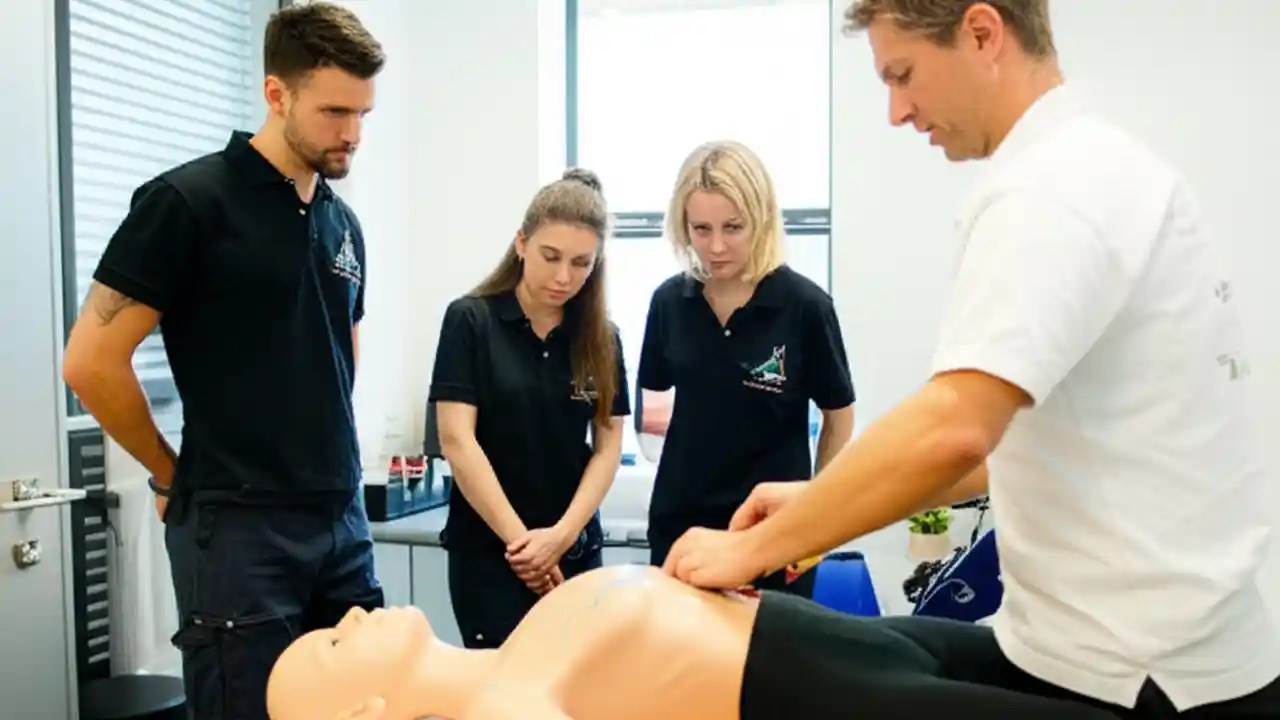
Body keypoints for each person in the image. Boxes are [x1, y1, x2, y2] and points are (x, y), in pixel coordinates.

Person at [663, 1, 1280, 718]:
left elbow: (952, 428)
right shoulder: (1105, 170)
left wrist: (754, 550)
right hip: (1094, 652)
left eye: (903, 74)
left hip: (1146, 680)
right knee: (811, 643)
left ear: (983, 34)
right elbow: (997, 451)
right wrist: (813, 502)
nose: (896, 110)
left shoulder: (1051, 190)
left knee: (751, 660)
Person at [61, 4, 387, 718]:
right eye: (335, 111)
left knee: (366, 705)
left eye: (364, 112)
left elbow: (339, 357)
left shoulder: (341, 223)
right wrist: (171, 471)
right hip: (239, 531)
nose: (353, 134)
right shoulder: (187, 204)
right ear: (277, 94)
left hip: (340, 521)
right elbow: (90, 362)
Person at [264, 564, 1124, 719]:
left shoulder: (518, 651)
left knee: (1120, 676)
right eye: (333, 650)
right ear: (364, 714)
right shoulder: (508, 701)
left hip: (834, 635)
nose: (345, 618)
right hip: (816, 691)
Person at [637, 140, 855, 597]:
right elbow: (651, 414)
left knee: (766, 665)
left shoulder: (805, 307)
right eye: (701, 228)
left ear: (761, 220)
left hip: (774, 534)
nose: (716, 246)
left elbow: (839, 415)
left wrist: (814, 510)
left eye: (733, 227)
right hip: (682, 528)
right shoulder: (668, 304)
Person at [428, 168, 630, 650]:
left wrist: (560, 537)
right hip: (491, 557)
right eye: (550, 256)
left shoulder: (603, 338)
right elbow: (458, 440)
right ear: (521, 243)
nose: (564, 277)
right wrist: (524, 547)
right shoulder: (471, 321)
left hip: (573, 555)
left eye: (582, 263)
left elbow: (607, 448)